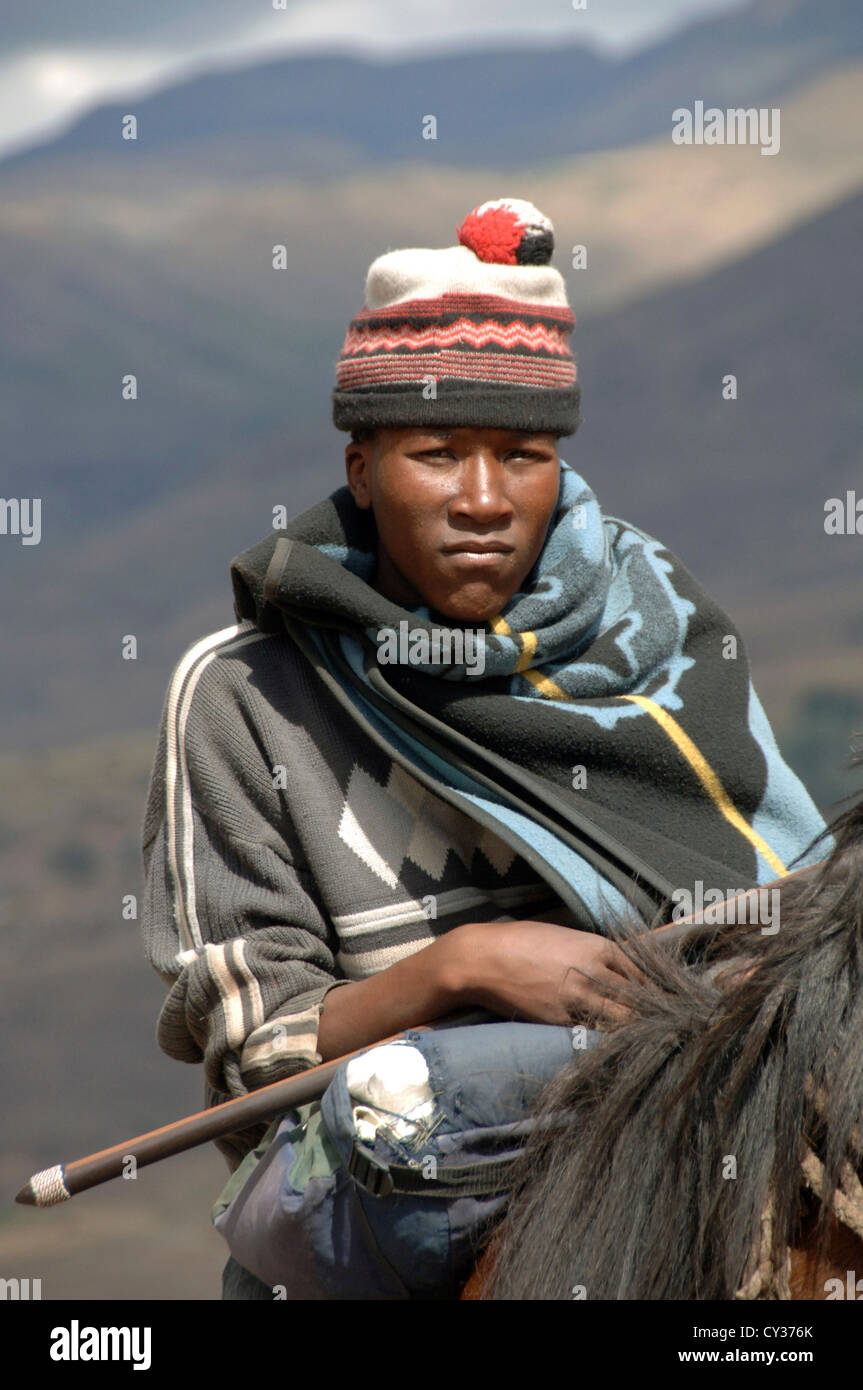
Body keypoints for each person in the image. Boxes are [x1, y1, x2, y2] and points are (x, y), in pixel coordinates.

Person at [140, 197, 829, 1300]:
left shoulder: (653, 634)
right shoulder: (244, 695)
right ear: (362, 470)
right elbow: (255, 1056)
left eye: (518, 454)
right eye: (434, 452)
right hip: (393, 1180)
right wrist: (462, 969)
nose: (480, 500)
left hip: (689, 1111)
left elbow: (780, 904)